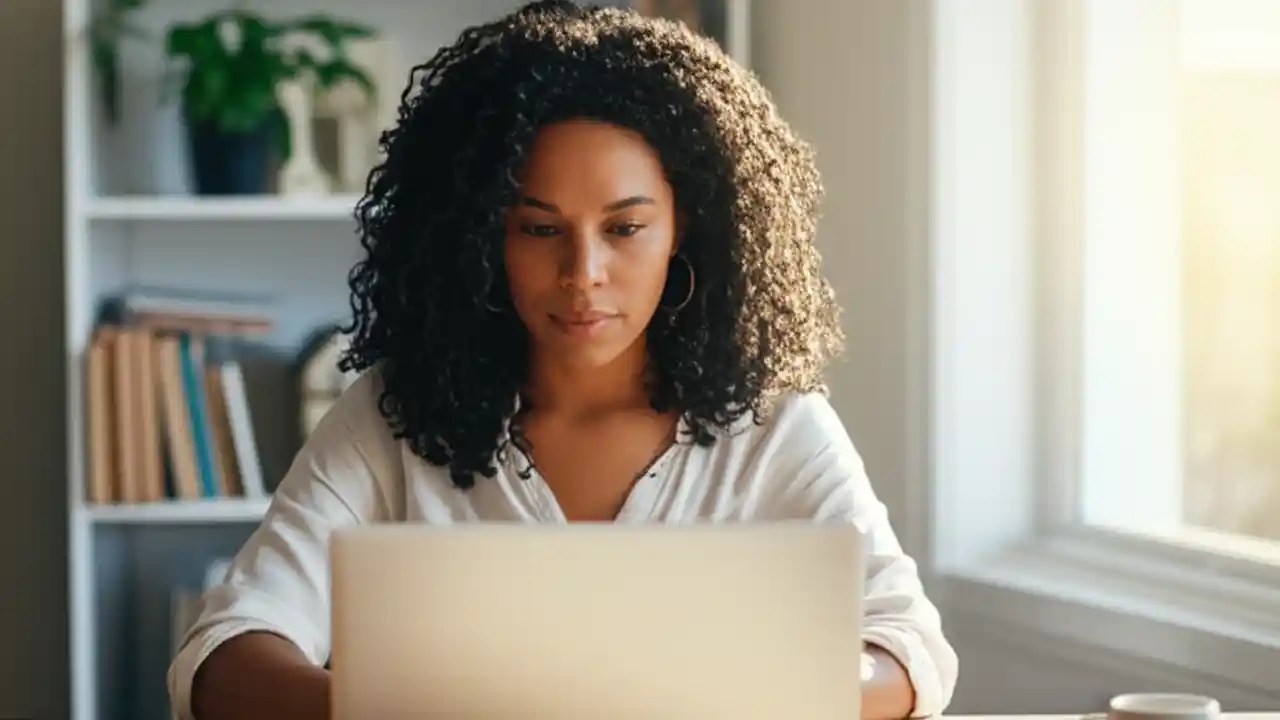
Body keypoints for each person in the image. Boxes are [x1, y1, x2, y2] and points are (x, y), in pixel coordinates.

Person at [167, 1, 958, 718]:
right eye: (540, 229)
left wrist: (744, 700)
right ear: (484, 236)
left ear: (685, 228)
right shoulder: (393, 417)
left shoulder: (773, 427)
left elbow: (907, 651)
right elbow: (224, 653)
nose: (583, 274)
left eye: (625, 228)